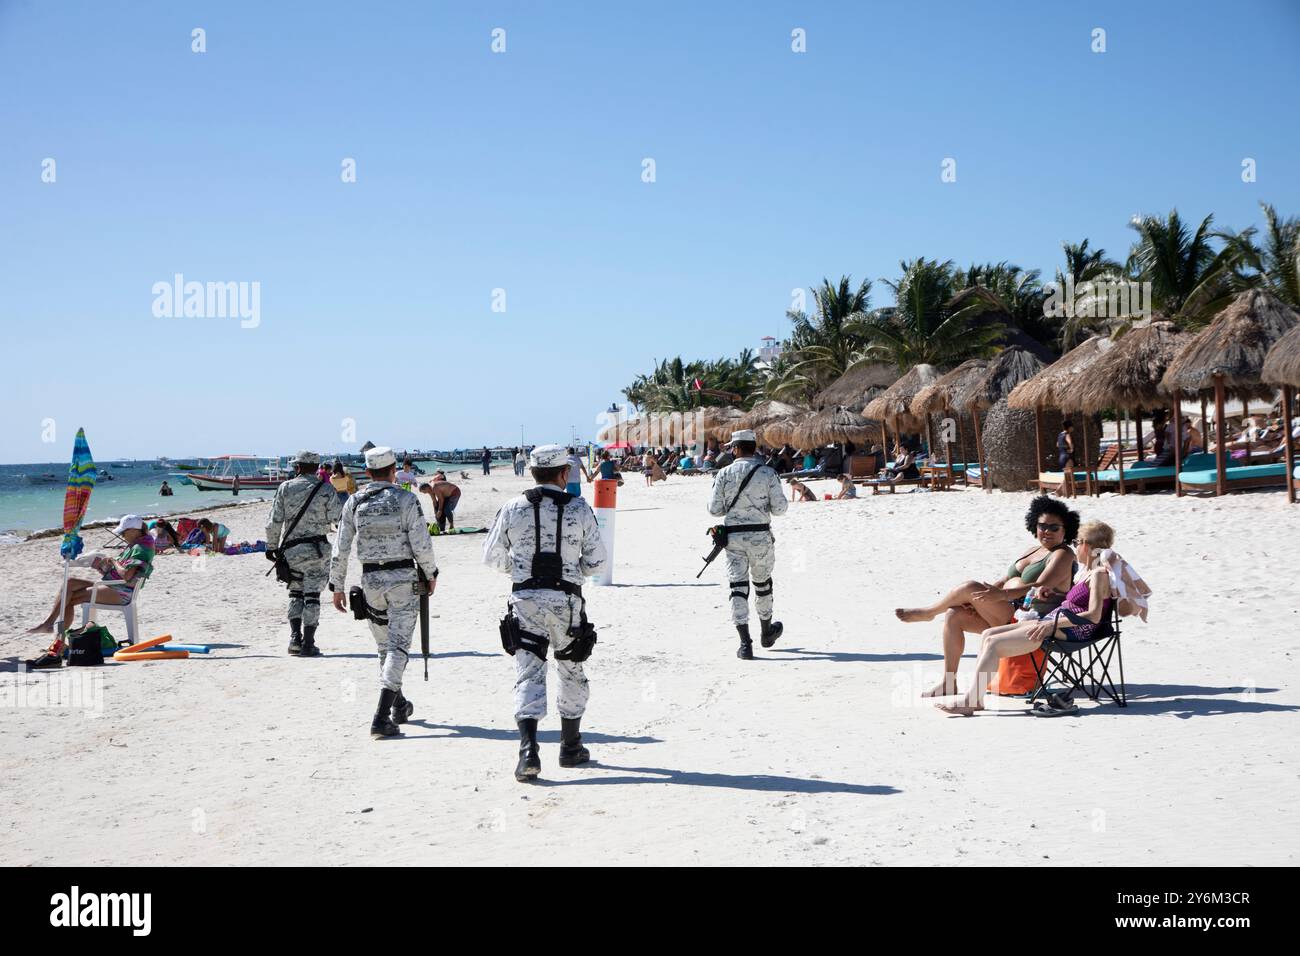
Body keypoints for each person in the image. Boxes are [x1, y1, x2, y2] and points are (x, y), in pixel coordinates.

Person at [483, 444, 608, 782]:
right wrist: (574, 572)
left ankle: (528, 753)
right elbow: (598, 561)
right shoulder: (579, 508)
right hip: (566, 601)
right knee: (572, 670)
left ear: (534, 471)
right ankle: (570, 747)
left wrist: (521, 572)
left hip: (525, 600)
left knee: (528, 673)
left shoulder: (512, 507)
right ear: (564, 473)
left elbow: (492, 556)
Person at [894, 495, 1078, 697]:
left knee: (969, 586)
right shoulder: (1032, 550)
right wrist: (981, 601)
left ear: (1065, 530)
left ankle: (930, 612)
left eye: (1054, 528)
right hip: (1006, 610)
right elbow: (1003, 580)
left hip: (1029, 617)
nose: (1047, 531)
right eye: (1042, 525)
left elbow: (1039, 587)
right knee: (954, 615)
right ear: (1034, 525)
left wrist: (999, 595)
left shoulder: (1063, 554)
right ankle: (948, 682)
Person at [936, 520, 1115, 715]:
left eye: (1077, 542)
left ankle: (970, 701)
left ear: (1086, 546)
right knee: (988, 633)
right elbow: (1076, 601)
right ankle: (976, 698)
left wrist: (1053, 625)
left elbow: (1094, 615)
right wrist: (1052, 595)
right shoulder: (1085, 572)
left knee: (995, 644)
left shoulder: (1099, 575)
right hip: (1055, 622)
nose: (1075, 547)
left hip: (1071, 629)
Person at [329, 446, 439, 739]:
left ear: (367, 473)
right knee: (399, 646)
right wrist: (430, 574)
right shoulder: (405, 499)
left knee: (384, 647)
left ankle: (399, 705)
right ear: (393, 471)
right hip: (403, 579)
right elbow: (421, 542)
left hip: (371, 582)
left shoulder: (354, 502)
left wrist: (337, 586)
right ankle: (380, 717)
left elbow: (341, 547)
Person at [708, 429, 788, 659]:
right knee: (763, 585)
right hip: (760, 537)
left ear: (735, 448)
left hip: (733, 539)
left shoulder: (724, 474)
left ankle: (745, 644)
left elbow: (714, 510)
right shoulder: (768, 473)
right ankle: (766, 633)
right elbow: (781, 509)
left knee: (738, 588)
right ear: (754, 448)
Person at [26, 515, 156, 657]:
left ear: (134, 530)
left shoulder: (141, 548)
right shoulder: (137, 544)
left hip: (122, 592)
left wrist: (113, 561)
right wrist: (99, 564)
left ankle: (57, 639)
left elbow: (126, 575)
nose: (122, 535)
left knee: (68, 598)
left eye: (123, 532)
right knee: (69, 583)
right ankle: (50, 625)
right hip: (113, 586)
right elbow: (121, 572)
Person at [266, 451, 343, 657]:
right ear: (316, 468)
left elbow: (274, 521)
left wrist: (271, 546)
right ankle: (309, 643)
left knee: (295, 592)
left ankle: (294, 639)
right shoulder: (325, 488)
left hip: (292, 550)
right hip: (317, 550)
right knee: (312, 596)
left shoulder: (285, 488)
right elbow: (338, 517)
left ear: (297, 467)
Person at [1056, 421, 1077, 496]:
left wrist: (1064, 447)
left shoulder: (1060, 434)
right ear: (1069, 427)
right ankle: (1058, 490)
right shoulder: (1067, 434)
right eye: (1072, 426)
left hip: (1061, 456)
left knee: (1066, 475)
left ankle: (1064, 492)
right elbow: (1070, 442)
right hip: (1067, 457)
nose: (1073, 428)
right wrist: (1071, 449)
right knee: (1068, 475)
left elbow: (1058, 445)